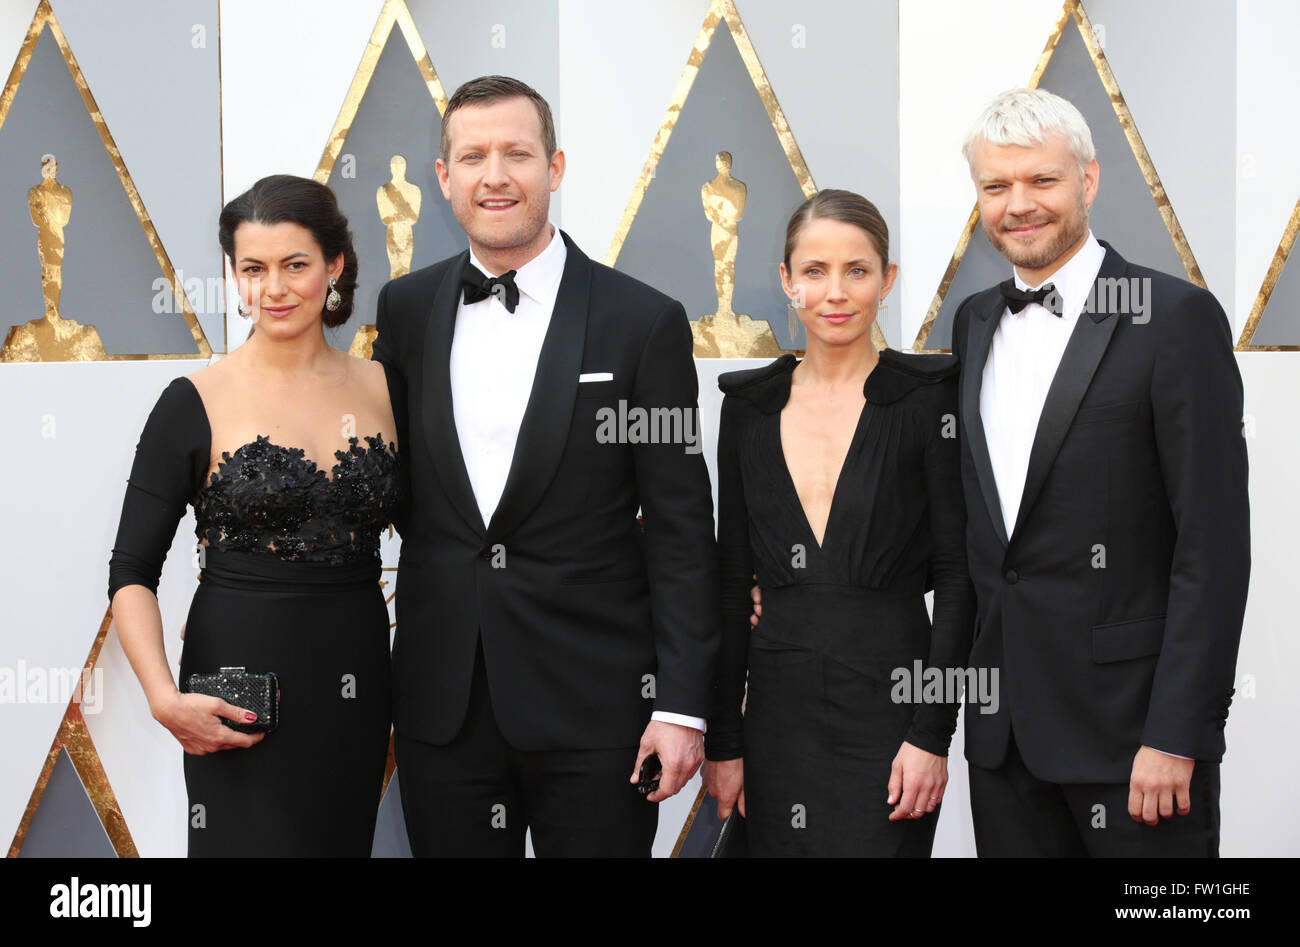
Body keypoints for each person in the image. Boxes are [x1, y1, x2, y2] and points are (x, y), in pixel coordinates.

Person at [370, 75, 719, 857]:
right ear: (443, 178)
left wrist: (684, 705)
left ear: (554, 167)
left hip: (598, 706)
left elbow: (681, 529)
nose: (495, 175)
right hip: (443, 704)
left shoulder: (642, 321)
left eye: (516, 153)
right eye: (473, 156)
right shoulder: (404, 309)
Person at [950, 88, 1249, 856]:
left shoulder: (1174, 318)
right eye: (996, 186)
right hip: (1006, 741)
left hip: (1135, 741)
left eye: (1041, 180)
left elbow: (1212, 548)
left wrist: (1179, 733)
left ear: (1088, 179)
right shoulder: (975, 321)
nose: (1019, 204)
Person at [108, 175, 401, 856]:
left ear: (335, 265)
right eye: (253, 269)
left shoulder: (387, 388)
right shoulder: (194, 399)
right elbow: (130, 571)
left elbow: (441, 535)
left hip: (356, 681)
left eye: (295, 265)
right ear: (235, 278)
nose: (274, 287)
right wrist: (162, 695)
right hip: (238, 687)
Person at [703, 189, 976, 856]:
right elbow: (733, 580)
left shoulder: (926, 401)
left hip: (891, 716)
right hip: (776, 719)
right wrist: (726, 742)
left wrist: (931, 734)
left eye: (857, 270)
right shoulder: (748, 407)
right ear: (786, 282)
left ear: (888, 280)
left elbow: (959, 578)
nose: (836, 292)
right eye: (815, 270)